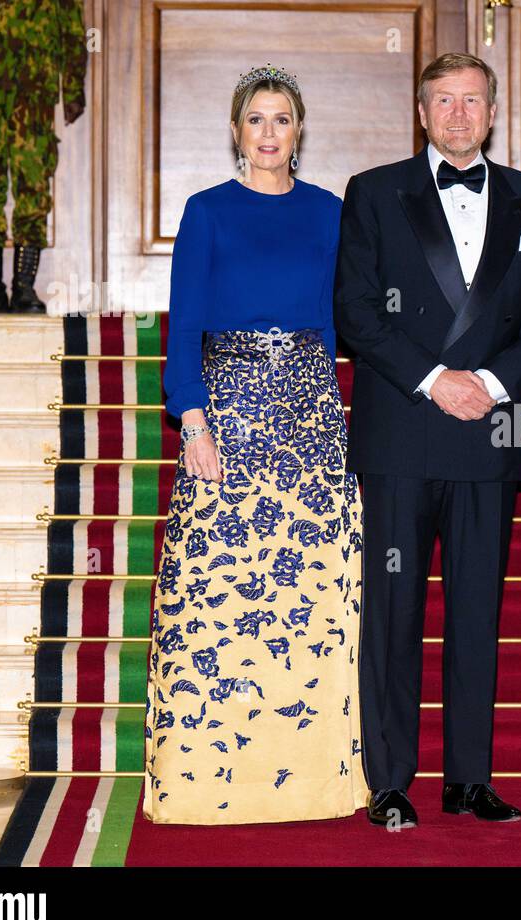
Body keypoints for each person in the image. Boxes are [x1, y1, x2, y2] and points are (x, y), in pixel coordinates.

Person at [334, 53, 521, 828]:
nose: (459, 113)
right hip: (404, 429)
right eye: (444, 100)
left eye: (472, 100)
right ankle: (391, 781)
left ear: (493, 113)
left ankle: (470, 779)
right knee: (393, 613)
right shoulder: (373, 193)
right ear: (422, 112)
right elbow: (356, 312)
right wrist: (438, 378)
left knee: (477, 614)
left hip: (487, 435)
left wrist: (493, 387)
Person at [142, 65, 368, 824]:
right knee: (219, 597)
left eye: (282, 120)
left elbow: (344, 324)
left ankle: (315, 780)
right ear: (237, 132)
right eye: (256, 120)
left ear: (298, 131)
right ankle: (209, 783)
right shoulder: (206, 212)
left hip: (308, 413)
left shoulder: (333, 213)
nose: (269, 133)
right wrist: (193, 418)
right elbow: (185, 326)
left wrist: (342, 415)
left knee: (307, 596)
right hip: (228, 415)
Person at [0, 0, 88, 312]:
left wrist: (72, 89)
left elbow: (72, 31)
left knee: (33, 186)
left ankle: (24, 285)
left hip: (32, 90)